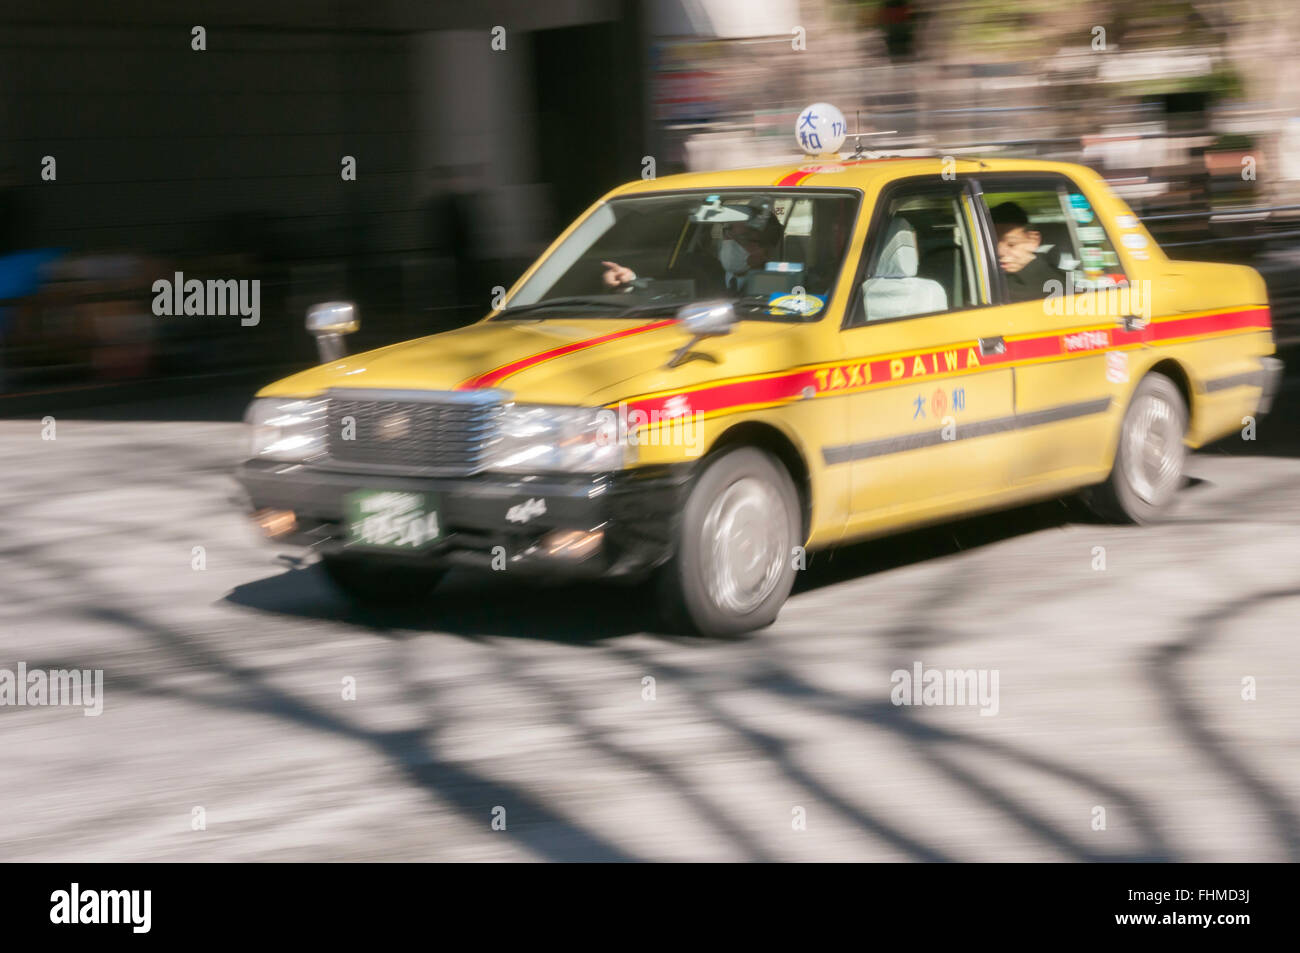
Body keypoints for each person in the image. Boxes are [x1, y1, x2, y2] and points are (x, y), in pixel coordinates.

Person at [990, 202, 1068, 303]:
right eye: (992, 244)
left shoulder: (1055, 284)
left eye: (1011, 244)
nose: (1000, 252)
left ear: (1033, 240)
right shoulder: (991, 274)